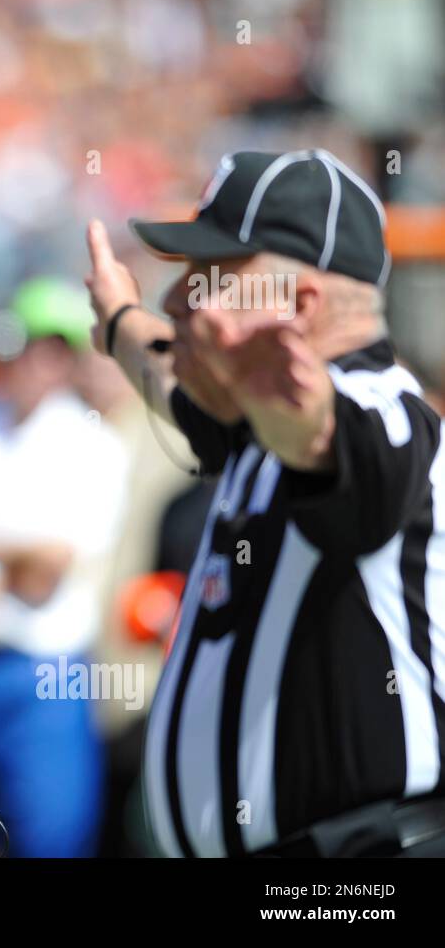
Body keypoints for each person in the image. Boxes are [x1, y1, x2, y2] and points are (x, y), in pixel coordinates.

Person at [85, 148, 445, 857]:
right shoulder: (251, 428)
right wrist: (118, 319)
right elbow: (175, 379)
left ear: (303, 305)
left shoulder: (386, 410)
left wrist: (302, 424)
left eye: (211, 276)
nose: (177, 298)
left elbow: (338, 455)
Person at [0, 279, 129, 857]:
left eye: (56, 347)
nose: (38, 360)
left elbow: (43, 570)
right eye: (29, 342)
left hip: (44, 678)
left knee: (50, 839)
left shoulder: (91, 443)